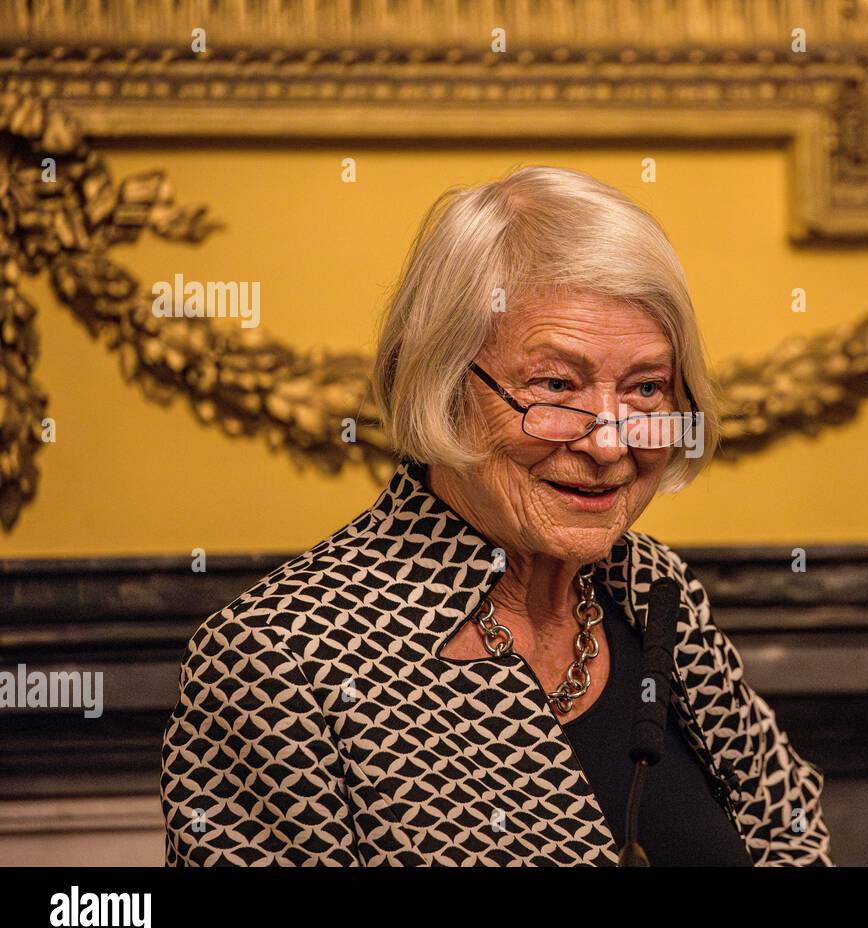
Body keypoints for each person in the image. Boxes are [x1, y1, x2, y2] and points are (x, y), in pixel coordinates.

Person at [160, 165, 832, 866]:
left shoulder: (651, 588)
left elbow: (788, 832)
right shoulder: (280, 659)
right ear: (443, 382)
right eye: (554, 384)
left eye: (645, 389)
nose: (609, 442)